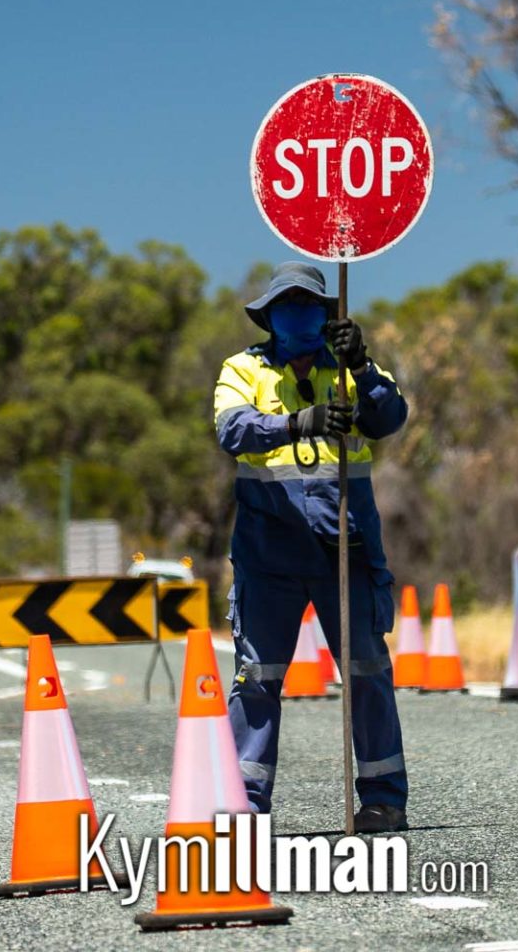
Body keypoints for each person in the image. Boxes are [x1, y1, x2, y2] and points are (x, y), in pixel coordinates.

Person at [212, 260, 409, 832]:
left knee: (368, 672)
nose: (296, 314)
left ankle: (382, 799)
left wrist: (364, 367)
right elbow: (232, 430)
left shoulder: (348, 366)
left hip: (343, 552)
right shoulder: (242, 369)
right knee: (258, 678)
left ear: (325, 314)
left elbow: (390, 417)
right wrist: (300, 423)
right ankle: (245, 805)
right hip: (267, 555)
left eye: (307, 305)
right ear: (269, 315)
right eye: (286, 305)